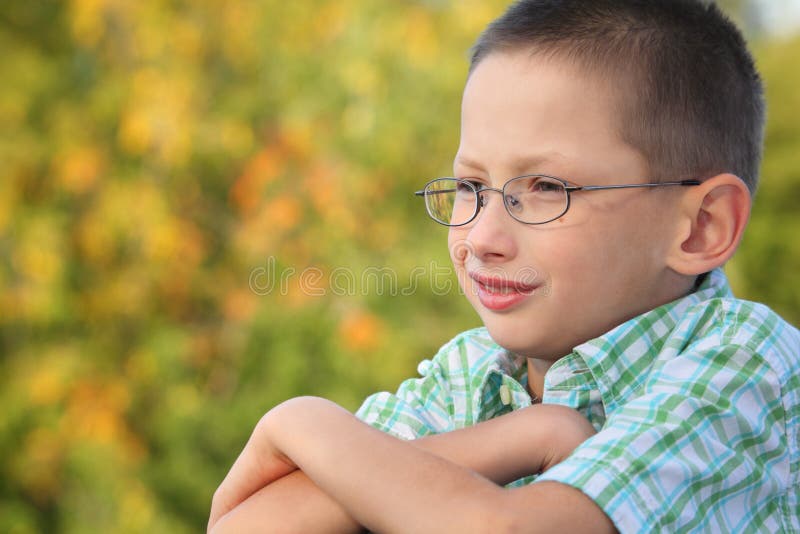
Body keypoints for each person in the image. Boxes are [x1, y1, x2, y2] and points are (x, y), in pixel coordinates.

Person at [207, 1, 800, 532]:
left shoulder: (745, 363)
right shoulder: (467, 376)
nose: (482, 236)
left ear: (701, 227)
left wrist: (303, 423)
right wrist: (529, 436)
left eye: (545, 187)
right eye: (470, 185)